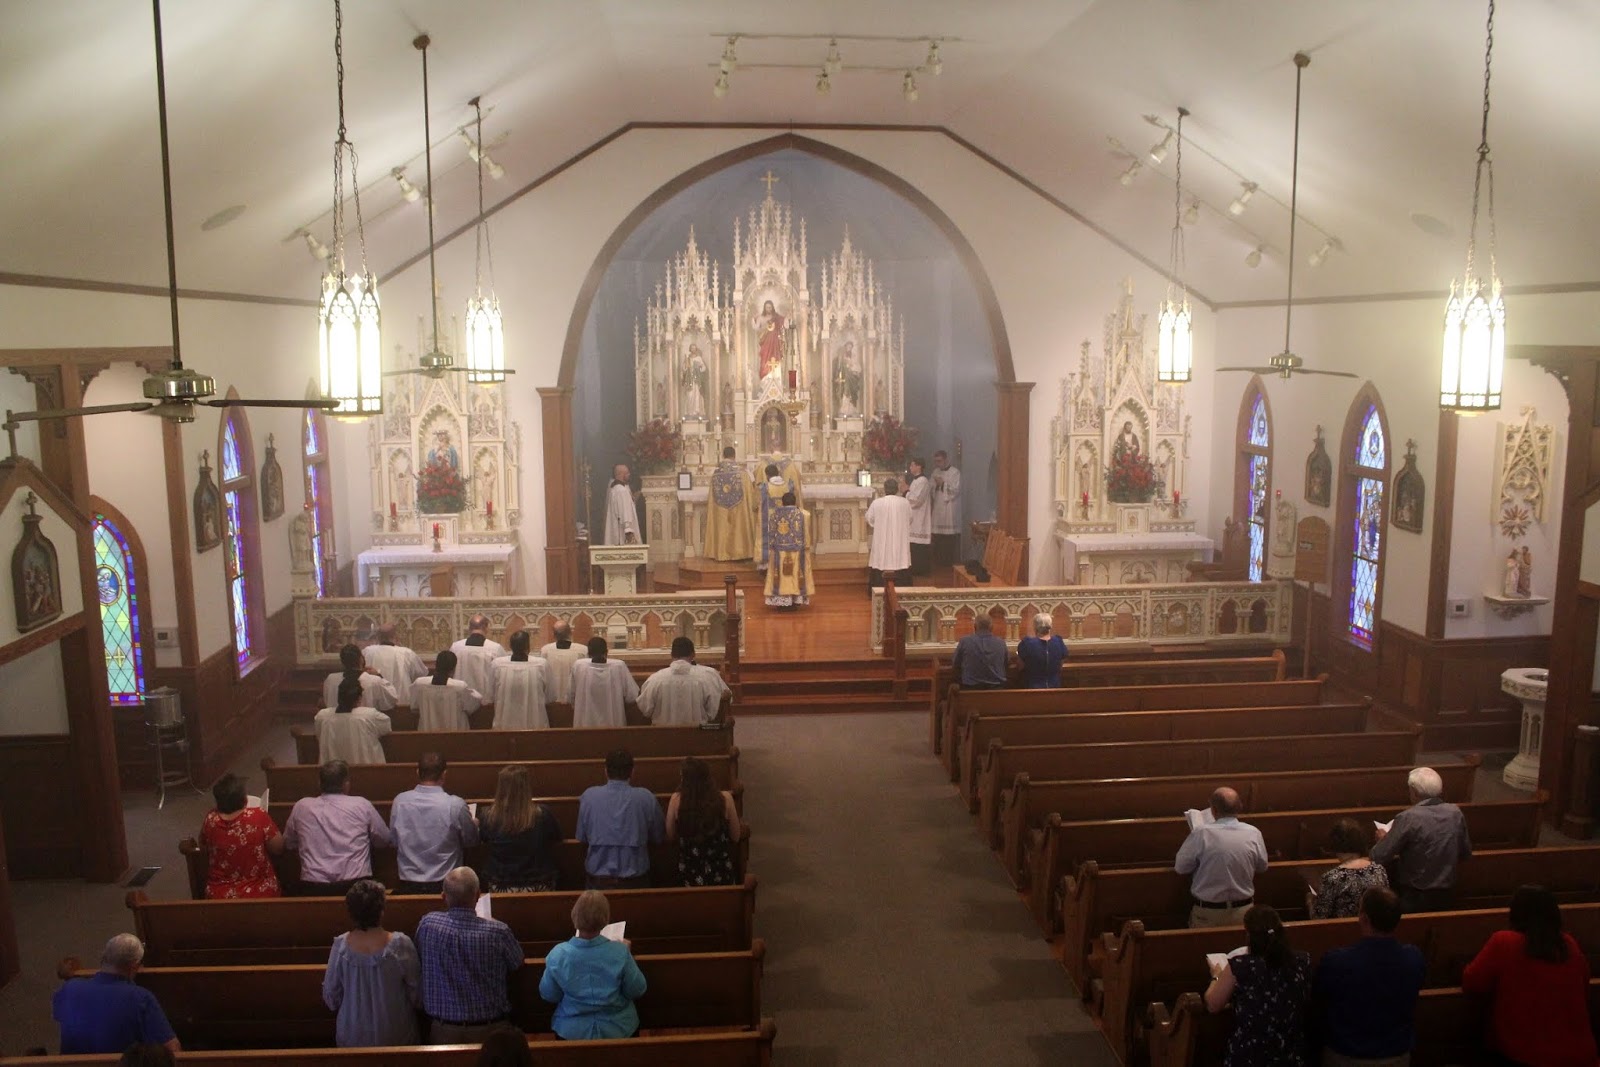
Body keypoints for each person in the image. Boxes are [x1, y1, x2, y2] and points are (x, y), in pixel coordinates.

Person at [1462, 884, 1599, 1067]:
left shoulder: (1504, 942)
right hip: (1581, 1057)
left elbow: (1472, 983)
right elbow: (1584, 985)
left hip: (1524, 1055)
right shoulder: (1568, 944)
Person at [1310, 887, 1425, 1065]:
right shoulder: (1414, 958)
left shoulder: (1336, 961)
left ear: (1363, 918)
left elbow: (1319, 1000)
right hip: (1396, 1054)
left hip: (1345, 1055)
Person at [414, 867, 524, 1045]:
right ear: (478, 895)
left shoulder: (428, 925)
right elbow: (517, 963)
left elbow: (419, 953)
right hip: (491, 1031)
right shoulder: (498, 931)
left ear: (443, 896)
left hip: (443, 1030)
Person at [1203, 904, 1312, 1066]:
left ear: (1249, 936)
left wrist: (1217, 977)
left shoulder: (1241, 966)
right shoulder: (1302, 961)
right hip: (1290, 1053)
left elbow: (1213, 1004)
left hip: (1250, 1055)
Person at [321, 879, 422, 1047]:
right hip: (395, 1034)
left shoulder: (340, 946)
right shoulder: (401, 944)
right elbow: (417, 995)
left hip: (353, 1034)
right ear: (381, 911)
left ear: (351, 913)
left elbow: (331, 998)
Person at [539, 890, 648, 1040]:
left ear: (574, 916)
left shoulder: (558, 954)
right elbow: (637, 990)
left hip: (571, 1030)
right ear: (605, 919)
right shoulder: (620, 952)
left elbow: (549, 994)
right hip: (619, 1028)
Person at [52, 934, 179, 1055]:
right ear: (134, 967)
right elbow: (172, 1049)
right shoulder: (141, 997)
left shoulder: (70, 988)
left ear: (103, 957)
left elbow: (60, 1016)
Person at [1370, 766, 1472, 913]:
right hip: (1448, 893)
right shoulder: (1455, 813)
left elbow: (1378, 856)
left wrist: (1382, 839)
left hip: (1414, 895)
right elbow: (1465, 853)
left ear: (1414, 792)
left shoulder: (1408, 817)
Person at [283, 760, 392, 896]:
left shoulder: (301, 807)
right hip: (355, 887)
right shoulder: (361, 805)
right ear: (346, 784)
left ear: (319, 783)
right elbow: (384, 840)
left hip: (314, 886)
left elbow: (288, 843)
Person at [1174, 786, 1268, 928]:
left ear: (1214, 811)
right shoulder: (1253, 833)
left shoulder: (1201, 833)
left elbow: (1181, 868)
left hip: (1208, 913)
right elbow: (1262, 867)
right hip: (1244, 911)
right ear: (1239, 807)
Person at [390, 752, 479, 895]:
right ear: (444, 774)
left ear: (418, 772)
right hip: (448, 887)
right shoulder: (455, 805)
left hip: (408, 884)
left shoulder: (399, 802)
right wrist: (473, 825)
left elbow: (394, 841)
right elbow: (471, 841)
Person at [577, 749, 666, 889]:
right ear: (632, 772)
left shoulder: (588, 797)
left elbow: (582, 838)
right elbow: (658, 836)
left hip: (599, 883)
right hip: (636, 882)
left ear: (605, 771)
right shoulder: (646, 798)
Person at [477, 765, 563, 893]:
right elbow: (558, 837)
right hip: (538, 883)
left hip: (500, 884)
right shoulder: (543, 814)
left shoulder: (488, 816)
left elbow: (481, 838)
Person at [199, 771, 283, 898]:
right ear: (244, 801)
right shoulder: (257, 816)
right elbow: (278, 848)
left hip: (219, 894)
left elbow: (204, 848)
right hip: (259, 891)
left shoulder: (210, 820)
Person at [666, 756, 739, 887]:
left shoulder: (676, 800)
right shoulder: (725, 798)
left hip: (689, 872)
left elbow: (670, 835)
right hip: (721, 871)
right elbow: (736, 836)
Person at [638, 637, 730, 726]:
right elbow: (719, 706)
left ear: (672, 654)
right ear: (693, 654)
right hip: (699, 736)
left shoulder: (655, 678)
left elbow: (645, 709)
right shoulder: (708, 675)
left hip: (663, 737)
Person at [1309, 818, 1390, 920]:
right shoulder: (1379, 870)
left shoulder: (1332, 878)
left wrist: (1310, 902)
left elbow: (1319, 918)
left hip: (1342, 933)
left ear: (1334, 844)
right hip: (1375, 929)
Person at [316, 674, 394, 764]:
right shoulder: (371, 715)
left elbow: (319, 734)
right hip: (367, 770)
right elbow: (386, 728)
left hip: (334, 773)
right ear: (359, 698)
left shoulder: (322, 716)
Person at [487, 630, 550, 730]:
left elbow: (490, 694)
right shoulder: (541, 664)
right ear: (528, 647)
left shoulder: (497, 665)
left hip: (504, 723)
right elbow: (551, 695)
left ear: (511, 647)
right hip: (535, 722)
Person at [571, 637, 639, 728]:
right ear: (606, 651)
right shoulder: (619, 666)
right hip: (614, 726)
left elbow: (571, 695)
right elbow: (632, 696)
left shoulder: (579, 666)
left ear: (588, 653)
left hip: (585, 725)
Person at [763, 491, 815, 608]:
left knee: (781, 576)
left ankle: (781, 600)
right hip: (797, 551)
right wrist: (806, 547)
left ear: (782, 502)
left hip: (778, 552)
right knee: (795, 575)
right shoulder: (803, 514)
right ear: (795, 501)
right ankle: (795, 599)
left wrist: (772, 547)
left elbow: (770, 534)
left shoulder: (774, 514)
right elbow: (806, 536)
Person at [410, 650, 484, 732]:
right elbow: (472, 705)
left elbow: (414, 707)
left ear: (436, 665)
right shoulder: (459, 687)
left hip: (427, 735)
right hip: (456, 736)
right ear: (453, 668)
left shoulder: (420, 684)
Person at [705, 446, 756, 561]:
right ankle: (741, 552)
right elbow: (751, 494)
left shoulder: (715, 474)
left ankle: (721, 552)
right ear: (734, 456)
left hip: (721, 509)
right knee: (739, 525)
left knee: (722, 525)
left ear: (723, 455)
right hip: (739, 509)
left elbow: (711, 497)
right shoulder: (743, 474)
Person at [321, 643, 399, 713]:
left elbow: (327, 701)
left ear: (342, 661)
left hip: (336, 726)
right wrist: (378, 675)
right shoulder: (374, 681)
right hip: (364, 724)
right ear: (361, 659)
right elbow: (392, 699)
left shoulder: (331, 680)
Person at [865, 476, 911, 591]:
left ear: (885, 489)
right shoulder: (905, 502)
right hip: (899, 539)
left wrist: (879, 525)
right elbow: (910, 519)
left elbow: (869, 518)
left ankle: (878, 588)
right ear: (896, 489)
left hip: (882, 539)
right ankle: (902, 588)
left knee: (881, 558)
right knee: (900, 559)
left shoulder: (877, 503)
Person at [450, 615, 504, 697]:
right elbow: (501, 675)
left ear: (469, 628)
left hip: (460, 699)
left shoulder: (456, 647)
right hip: (486, 701)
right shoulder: (495, 648)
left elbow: (450, 672)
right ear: (486, 628)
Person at [362, 624, 426, 693]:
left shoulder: (367, 651)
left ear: (378, 637)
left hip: (374, 700)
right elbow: (421, 674)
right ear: (395, 636)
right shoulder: (406, 653)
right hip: (402, 701)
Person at [952, 614, 1009, 690]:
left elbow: (955, 663)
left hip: (970, 690)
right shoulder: (1001, 643)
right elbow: (1006, 663)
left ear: (975, 627)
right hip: (997, 689)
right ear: (991, 627)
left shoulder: (965, 641)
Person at [752, 462, 789, 571]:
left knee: (767, 540)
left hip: (767, 520)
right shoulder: (787, 485)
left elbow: (755, 504)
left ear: (767, 475)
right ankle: (782, 562)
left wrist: (755, 508)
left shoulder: (764, 487)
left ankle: (766, 565)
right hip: (784, 519)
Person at [1016, 614, 1068, 688]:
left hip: (1032, 688)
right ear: (1050, 626)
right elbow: (1060, 665)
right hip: (1054, 688)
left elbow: (1020, 666)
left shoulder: (1027, 643)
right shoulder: (1058, 642)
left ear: (1035, 627)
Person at [541, 621, 584, 707]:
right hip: (575, 702)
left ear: (553, 634)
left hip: (552, 702)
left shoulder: (545, 650)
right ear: (570, 632)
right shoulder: (582, 650)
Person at [931, 449, 963, 566]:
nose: (937, 464)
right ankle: (938, 561)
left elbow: (956, 490)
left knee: (948, 538)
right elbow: (930, 488)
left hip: (949, 508)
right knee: (937, 536)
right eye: (936, 461)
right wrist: (935, 485)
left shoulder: (955, 472)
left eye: (939, 461)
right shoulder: (935, 472)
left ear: (945, 459)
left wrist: (943, 484)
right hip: (938, 506)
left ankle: (948, 562)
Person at [905, 456, 932, 577]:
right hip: (914, 517)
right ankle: (915, 569)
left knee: (918, 545)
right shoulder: (916, 480)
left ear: (919, 466)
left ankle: (921, 570)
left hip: (920, 517)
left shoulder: (923, 481)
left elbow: (916, 500)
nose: (910, 467)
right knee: (913, 545)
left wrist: (906, 491)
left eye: (912, 465)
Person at [603, 463, 640, 545]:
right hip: (624, 535)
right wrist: (628, 531)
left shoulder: (615, 489)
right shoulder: (621, 491)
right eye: (627, 473)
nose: (629, 474)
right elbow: (624, 511)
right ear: (620, 474)